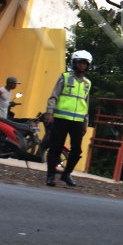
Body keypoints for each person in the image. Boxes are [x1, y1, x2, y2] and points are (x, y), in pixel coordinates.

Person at [42, 51, 93, 188]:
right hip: (61, 119)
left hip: (77, 122)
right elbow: (54, 96)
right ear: (74, 63)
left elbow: (86, 104)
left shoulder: (87, 83)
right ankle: (50, 176)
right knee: (56, 148)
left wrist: (85, 123)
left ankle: (66, 174)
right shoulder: (64, 77)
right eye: (80, 62)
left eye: (85, 63)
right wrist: (49, 112)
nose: (82, 65)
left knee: (77, 150)